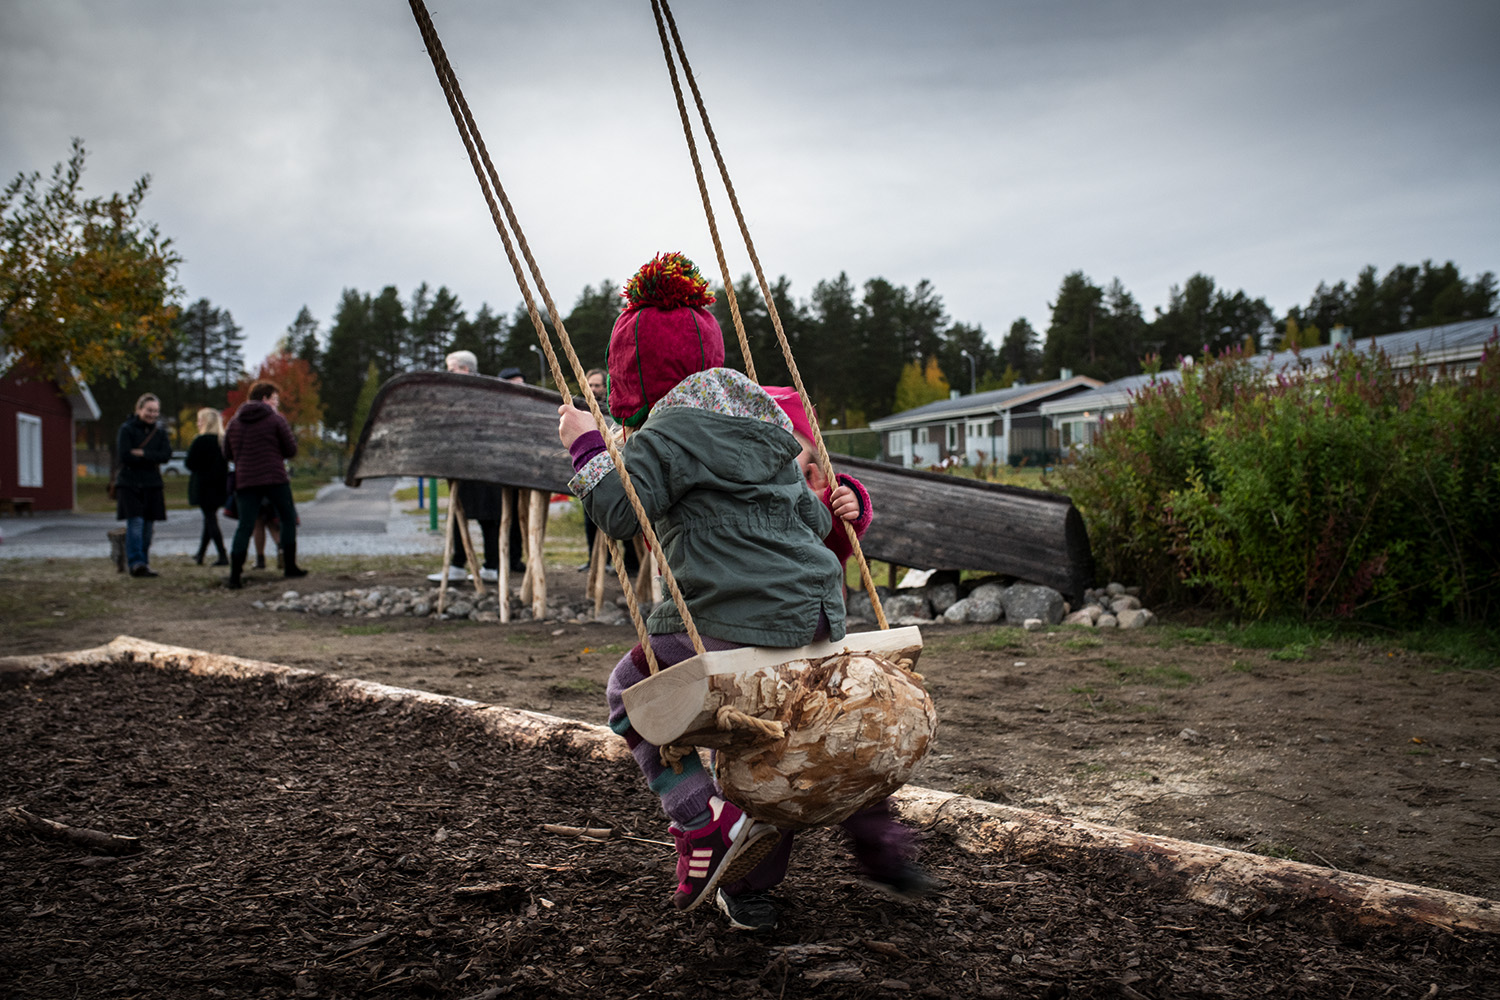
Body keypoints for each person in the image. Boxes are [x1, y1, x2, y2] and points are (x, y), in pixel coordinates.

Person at [557, 252, 902, 931]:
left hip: (737, 623)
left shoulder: (669, 430)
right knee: (786, 740)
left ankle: (699, 822)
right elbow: (815, 524)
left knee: (632, 692)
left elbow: (620, 511)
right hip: (816, 620)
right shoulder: (770, 430)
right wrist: (847, 504)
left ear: (636, 374)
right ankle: (813, 865)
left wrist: (587, 446)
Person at [711, 386, 931, 927]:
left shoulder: (817, 497)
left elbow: (834, 541)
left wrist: (850, 504)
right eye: (787, 466)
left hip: (824, 654)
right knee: (772, 773)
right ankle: (743, 884)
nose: (800, 481)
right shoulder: (736, 513)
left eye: (810, 468)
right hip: (761, 664)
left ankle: (884, 857)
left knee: (857, 751)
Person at [428, 350, 505, 583]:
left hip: (484, 464)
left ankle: (487, 566)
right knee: (460, 514)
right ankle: (461, 564)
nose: (449, 373)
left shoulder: (482, 391)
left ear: (464, 369)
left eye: (451, 369)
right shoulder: (468, 392)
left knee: (487, 518)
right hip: (468, 465)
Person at [224, 380, 305, 588]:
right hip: (274, 478)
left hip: (246, 480)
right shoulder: (275, 420)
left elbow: (227, 453)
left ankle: (235, 576)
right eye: (275, 399)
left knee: (245, 525)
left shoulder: (234, 423)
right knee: (287, 518)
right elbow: (291, 449)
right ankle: (290, 567)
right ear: (265, 399)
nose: (277, 404)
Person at [580, 366, 639, 578]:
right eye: (591, 385)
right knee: (592, 520)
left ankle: (631, 564)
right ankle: (595, 561)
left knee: (626, 516)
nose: (594, 389)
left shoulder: (614, 409)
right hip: (594, 469)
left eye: (597, 385)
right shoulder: (582, 409)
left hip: (617, 467)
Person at [114, 393, 171, 577]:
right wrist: (151, 456)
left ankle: (144, 563)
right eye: (149, 410)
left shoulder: (160, 432)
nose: (152, 414)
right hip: (130, 484)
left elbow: (165, 455)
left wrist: (143, 453)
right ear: (139, 409)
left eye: (155, 411)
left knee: (148, 527)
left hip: (152, 485)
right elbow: (125, 455)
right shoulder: (127, 429)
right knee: (136, 523)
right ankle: (136, 562)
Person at [185, 407, 230, 566]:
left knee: (210, 520)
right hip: (219, 487)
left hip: (204, 487)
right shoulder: (222, 441)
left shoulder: (200, 441)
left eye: (199, 420)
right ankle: (200, 554)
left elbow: (189, 463)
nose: (198, 424)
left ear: (205, 422)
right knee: (209, 520)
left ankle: (222, 555)